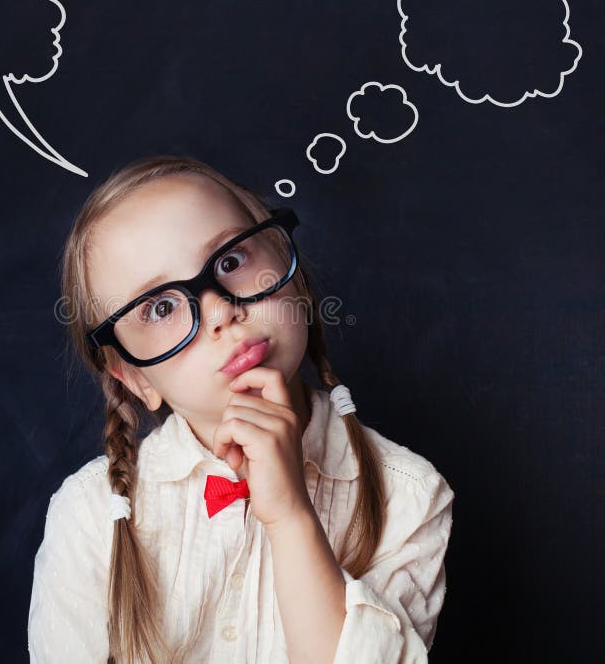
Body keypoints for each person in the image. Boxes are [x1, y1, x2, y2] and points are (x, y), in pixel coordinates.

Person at [27, 155, 455, 663]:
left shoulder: (409, 496)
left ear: (288, 266)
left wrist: (291, 516)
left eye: (230, 261)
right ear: (135, 377)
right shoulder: (89, 515)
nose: (220, 311)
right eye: (160, 307)